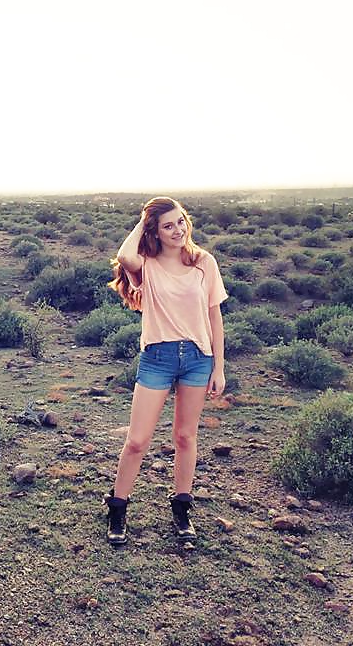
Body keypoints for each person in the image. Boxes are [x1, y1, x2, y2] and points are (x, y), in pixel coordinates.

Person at [104, 196, 227, 545]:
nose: (177, 230)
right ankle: (117, 508)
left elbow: (214, 316)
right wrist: (144, 220)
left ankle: (182, 509)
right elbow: (125, 255)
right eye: (167, 225)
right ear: (154, 231)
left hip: (198, 358)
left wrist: (218, 367)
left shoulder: (204, 263)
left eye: (180, 222)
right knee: (137, 440)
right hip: (158, 357)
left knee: (186, 437)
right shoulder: (147, 264)